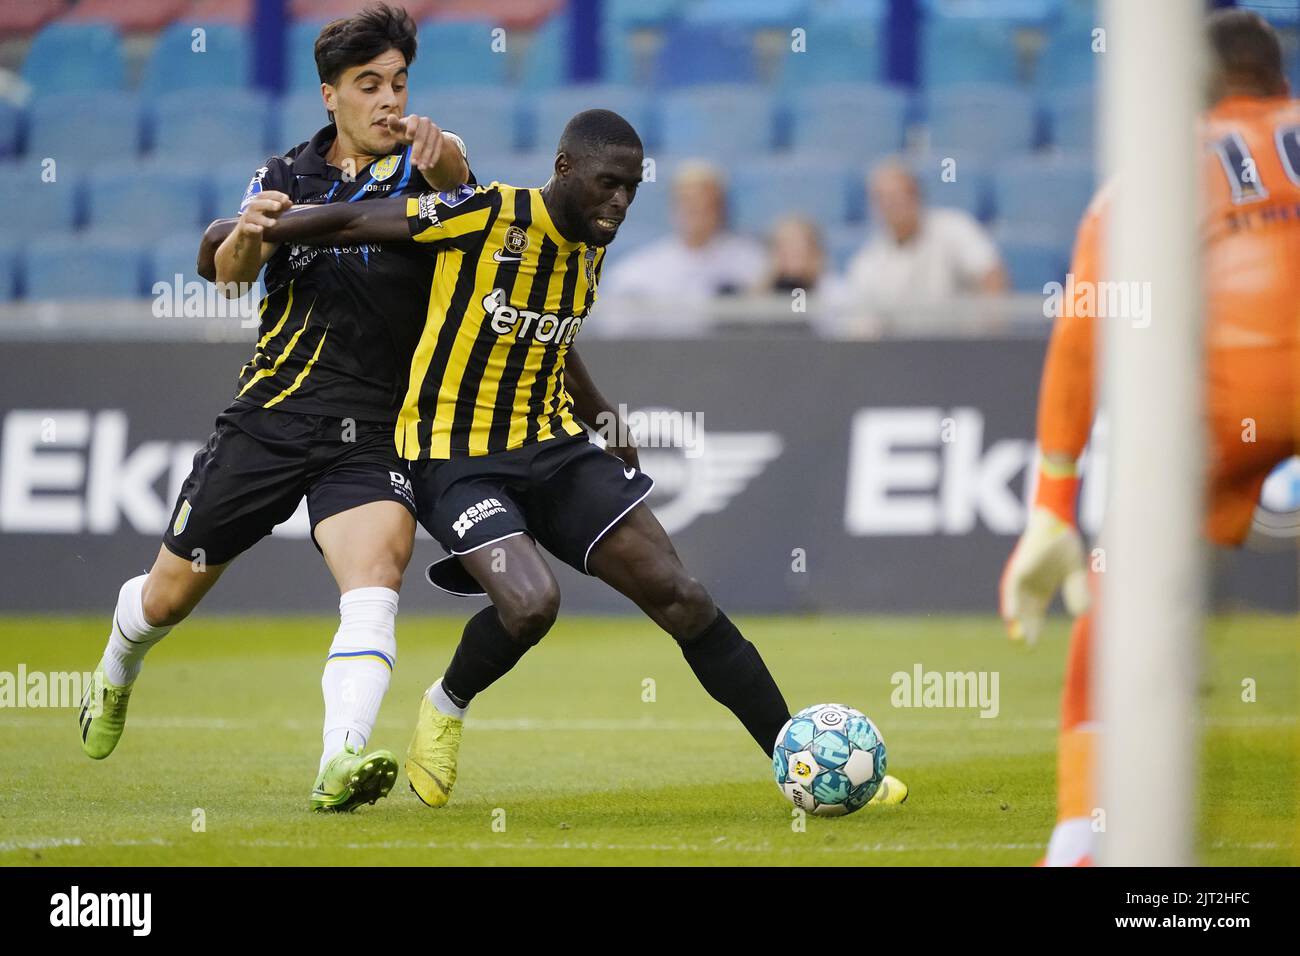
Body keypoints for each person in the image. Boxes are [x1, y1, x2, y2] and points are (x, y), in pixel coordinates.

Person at [235, 108, 911, 810]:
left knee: (684, 598)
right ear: (565, 170)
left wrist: (603, 415)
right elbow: (354, 222)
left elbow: (554, 339)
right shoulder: (487, 214)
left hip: (553, 448)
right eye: (607, 185)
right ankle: (446, 703)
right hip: (452, 455)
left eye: (631, 191)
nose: (619, 204)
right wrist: (254, 227)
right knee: (531, 605)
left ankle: (800, 759)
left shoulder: (589, 243)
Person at [77, 4, 471, 813]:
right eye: (369, 86)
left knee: (376, 576)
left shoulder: (423, 166)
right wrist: (252, 234)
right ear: (330, 95)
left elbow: (459, 184)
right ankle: (118, 666)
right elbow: (229, 274)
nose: (388, 100)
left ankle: (340, 762)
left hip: (370, 429)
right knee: (166, 599)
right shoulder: (286, 175)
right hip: (270, 418)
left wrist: (445, 160)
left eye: (398, 82)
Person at [999, 8, 1300, 866]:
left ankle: (1082, 837)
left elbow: (1081, 336)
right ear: (1278, 79)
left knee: (1116, 591)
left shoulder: (1155, 173)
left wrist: (1054, 504)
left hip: (1221, 406)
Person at [599, 160, 765, 334]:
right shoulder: (638, 270)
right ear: (674, 208)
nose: (697, 213)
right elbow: (615, 330)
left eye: (706, 205)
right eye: (689, 204)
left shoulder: (752, 263)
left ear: (721, 209)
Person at [844, 159, 1006, 332]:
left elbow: (990, 273)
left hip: (966, 346)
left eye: (899, 196)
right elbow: (864, 329)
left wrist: (990, 334)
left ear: (916, 195)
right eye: (883, 199)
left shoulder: (954, 227)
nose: (892, 205)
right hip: (906, 353)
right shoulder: (867, 262)